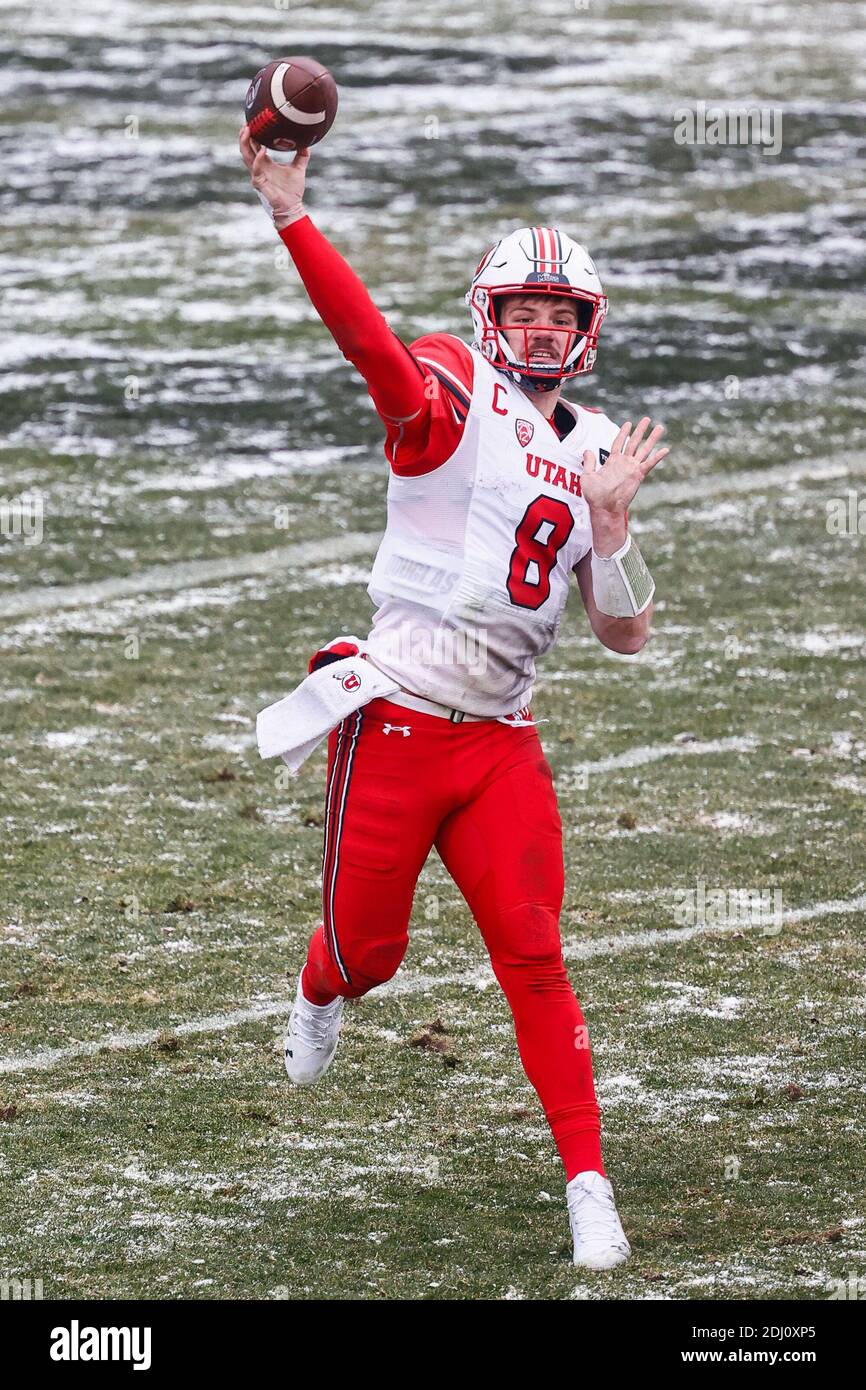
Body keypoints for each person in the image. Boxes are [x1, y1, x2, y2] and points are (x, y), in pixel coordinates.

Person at [240, 130, 668, 1270]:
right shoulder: (451, 382)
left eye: (559, 313)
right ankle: (319, 985)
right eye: (523, 309)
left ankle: (587, 1183)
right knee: (367, 956)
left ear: (586, 330)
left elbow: (623, 635)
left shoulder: (594, 447)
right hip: (395, 724)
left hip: (500, 746)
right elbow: (371, 352)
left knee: (534, 955)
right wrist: (293, 216)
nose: (540, 330)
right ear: (489, 316)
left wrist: (614, 528)